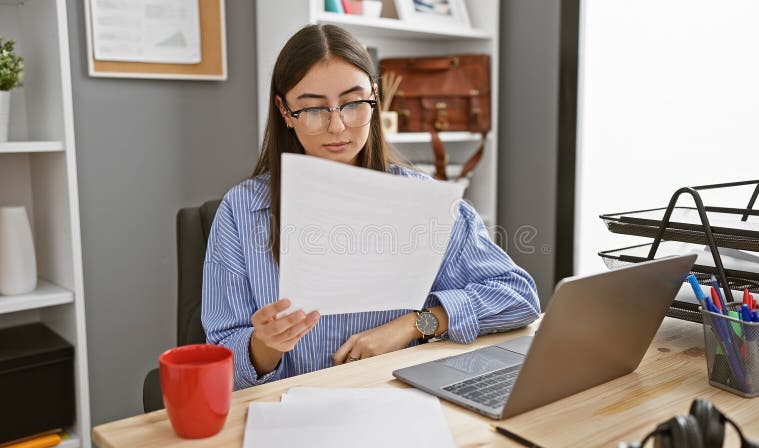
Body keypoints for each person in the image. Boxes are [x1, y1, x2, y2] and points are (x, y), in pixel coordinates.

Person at [202, 24, 540, 390]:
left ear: (375, 98)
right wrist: (263, 346)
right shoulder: (241, 211)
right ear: (285, 111)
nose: (337, 125)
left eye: (353, 103)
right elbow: (220, 357)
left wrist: (414, 324)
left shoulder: (425, 201)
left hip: (399, 404)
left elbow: (519, 296)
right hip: (290, 412)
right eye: (314, 108)